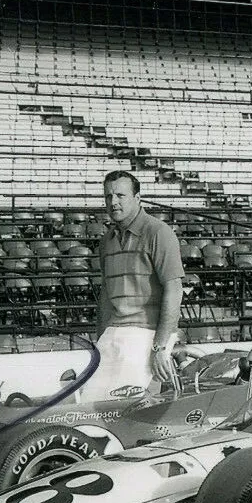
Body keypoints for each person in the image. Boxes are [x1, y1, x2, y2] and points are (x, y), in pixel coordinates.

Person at [82, 169, 183, 401]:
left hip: (145, 334)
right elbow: (106, 294)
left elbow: (174, 290)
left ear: (137, 198)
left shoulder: (159, 232)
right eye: (108, 196)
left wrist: (160, 347)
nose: (113, 202)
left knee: (126, 408)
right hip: (113, 333)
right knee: (89, 404)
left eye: (120, 195)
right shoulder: (106, 241)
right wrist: (101, 340)